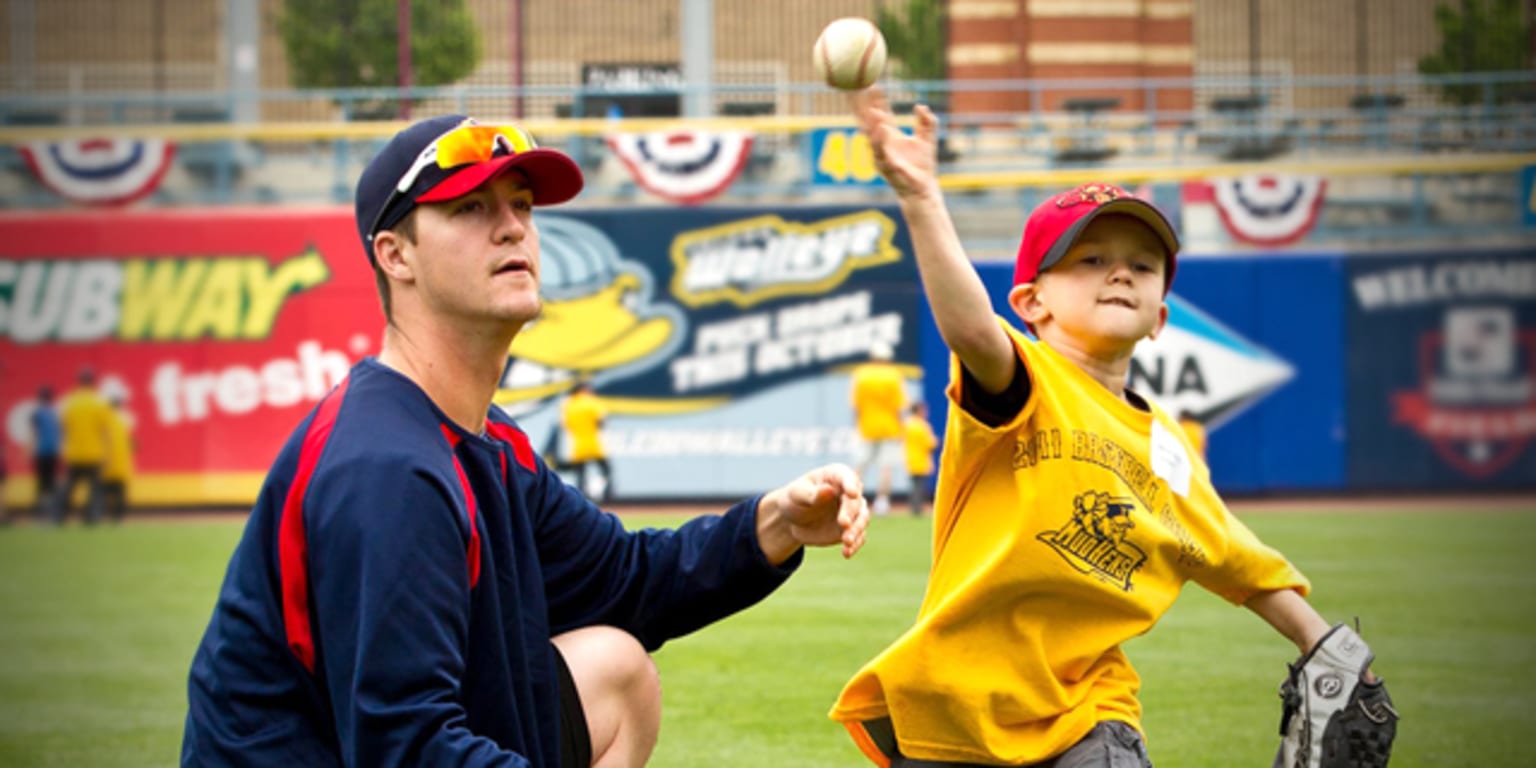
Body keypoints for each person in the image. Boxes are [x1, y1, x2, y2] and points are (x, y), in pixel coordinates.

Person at [182, 115, 871, 767]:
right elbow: (407, 747)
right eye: (469, 208)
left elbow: (625, 582)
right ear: (395, 256)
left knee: (617, 669)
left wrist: (775, 523)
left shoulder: (486, 436)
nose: (512, 227)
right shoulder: (386, 468)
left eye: (521, 205)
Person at [827, 88, 1385, 767]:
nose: (1120, 272)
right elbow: (971, 331)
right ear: (1031, 302)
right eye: (1090, 259)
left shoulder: (1167, 449)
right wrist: (921, 198)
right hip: (958, 700)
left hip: (1091, 709)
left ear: (1159, 317)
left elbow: (1234, 557)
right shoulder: (1023, 381)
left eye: (1143, 265)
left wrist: (1323, 645)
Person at [850, 340, 907, 515]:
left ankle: (852, 499)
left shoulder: (861, 374)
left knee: (860, 466)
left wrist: (857, 425)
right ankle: (882, 502)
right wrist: (901, 428)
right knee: (886, 467)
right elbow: (898, 406)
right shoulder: (893, 375)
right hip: (889, 427)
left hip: (866, 427)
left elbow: (856, 405)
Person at [54, 368, 113, 525]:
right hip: (94, 452)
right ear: (92, 381)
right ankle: (91, 517)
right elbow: (105, 431)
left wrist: (63, 449)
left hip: (74, 452)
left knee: (69, 486)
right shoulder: (99, 402)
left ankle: (58, 516)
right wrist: (108, 454)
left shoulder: (69, 402)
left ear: (78, 381)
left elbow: (63, 428)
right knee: (95, 488)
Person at [561, 380, 613, 503]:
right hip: (594, 443)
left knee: (581, 475)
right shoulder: (591, 402)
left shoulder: (569, 405)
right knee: (606, 470)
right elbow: (601, 421)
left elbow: (566, 424)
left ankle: (582, 498)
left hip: (578, 444)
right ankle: (605, 494)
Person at [28, 385, 61, 521]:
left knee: (42, 483)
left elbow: (33, 433)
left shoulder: (37, 413)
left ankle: (42, 511)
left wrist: (29, 450)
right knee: (51, 482)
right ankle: (53, 511)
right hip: (53, 452)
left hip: (42, 452)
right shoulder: (55, 413)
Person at [100, 395, 134, 523]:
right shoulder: (125, 419)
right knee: (120, 492)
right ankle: (118, 517)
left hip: (107, 462)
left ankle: (101, 515)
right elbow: (132, 443)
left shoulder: (104, 420)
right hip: (121, 462)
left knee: (105, 492)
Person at [902, 402, 938, 517]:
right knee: (920, 486)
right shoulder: (923, 426)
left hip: (911, 459)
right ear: (919, 411)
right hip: (921, 460)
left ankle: (914, 507)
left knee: (914, 486)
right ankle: (918, 509)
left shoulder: (908, 425)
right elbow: (929, 443)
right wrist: (937, 442)